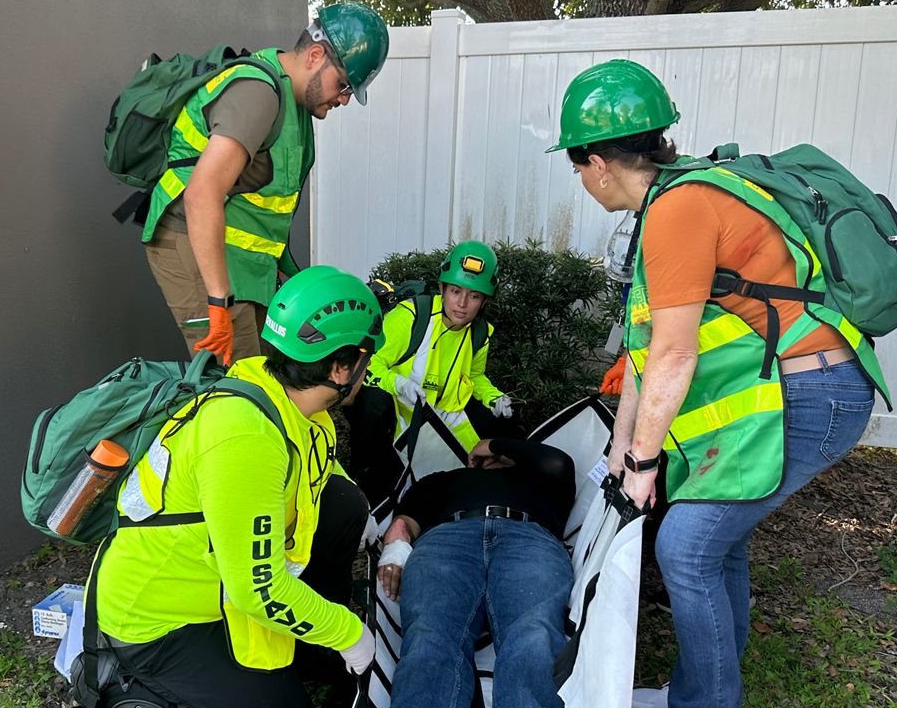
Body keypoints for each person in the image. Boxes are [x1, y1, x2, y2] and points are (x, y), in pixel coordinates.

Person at [549, 59, 888, 708]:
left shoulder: (679, 211)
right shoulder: (672, 202)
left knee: (684, 548)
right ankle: (707, 686)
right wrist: (621, 450)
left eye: (575, 167)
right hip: (802, 393)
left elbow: (675, 357)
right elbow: (646, 352)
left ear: (595, 162)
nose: (581, 181)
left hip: (815, 396)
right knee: (715, 541)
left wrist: (645, 463)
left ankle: (704, 702)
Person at [90, 266, 384, 707]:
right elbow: (257, 589)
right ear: (342, 367)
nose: (369, 371)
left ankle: (306, 643)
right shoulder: (244, 437)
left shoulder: (282, 395)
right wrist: (349, 633)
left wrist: (365, 512)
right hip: (161, 620)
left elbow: (316, 466)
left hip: (219, 582)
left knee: (341, 503)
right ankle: (141, 683)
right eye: (367, 359)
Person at [140, 3, 389, 360]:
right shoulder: (259, 93)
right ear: (316, 55)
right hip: (194, 246)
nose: (345, 100)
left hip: (242, 260)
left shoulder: (295, 104)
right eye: (345, 84)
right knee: (237, 382)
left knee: (267, 369)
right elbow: (201, 194)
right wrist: (217, 302)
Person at [377, 437, 575, 708]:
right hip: (447, 537)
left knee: (534, 632)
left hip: (529, 537)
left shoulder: (544, 479)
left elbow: (558, 461)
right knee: (430, 633)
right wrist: (395, 549)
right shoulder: (445, 479)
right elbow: (405, 521)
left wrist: (493, 444)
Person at [344, 241, 518, 504]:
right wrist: (398, 384)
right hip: (395, 410)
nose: (462, 303)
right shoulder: (412, 316)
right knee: (372, 405)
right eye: (455, 291)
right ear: (442, 288)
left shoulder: (480, 333)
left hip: (442, 414)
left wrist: (495, 398)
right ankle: (363, 488)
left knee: (492, 442)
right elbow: (369, 365)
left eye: (473, 296)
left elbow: (476, 376)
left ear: (484, 301)